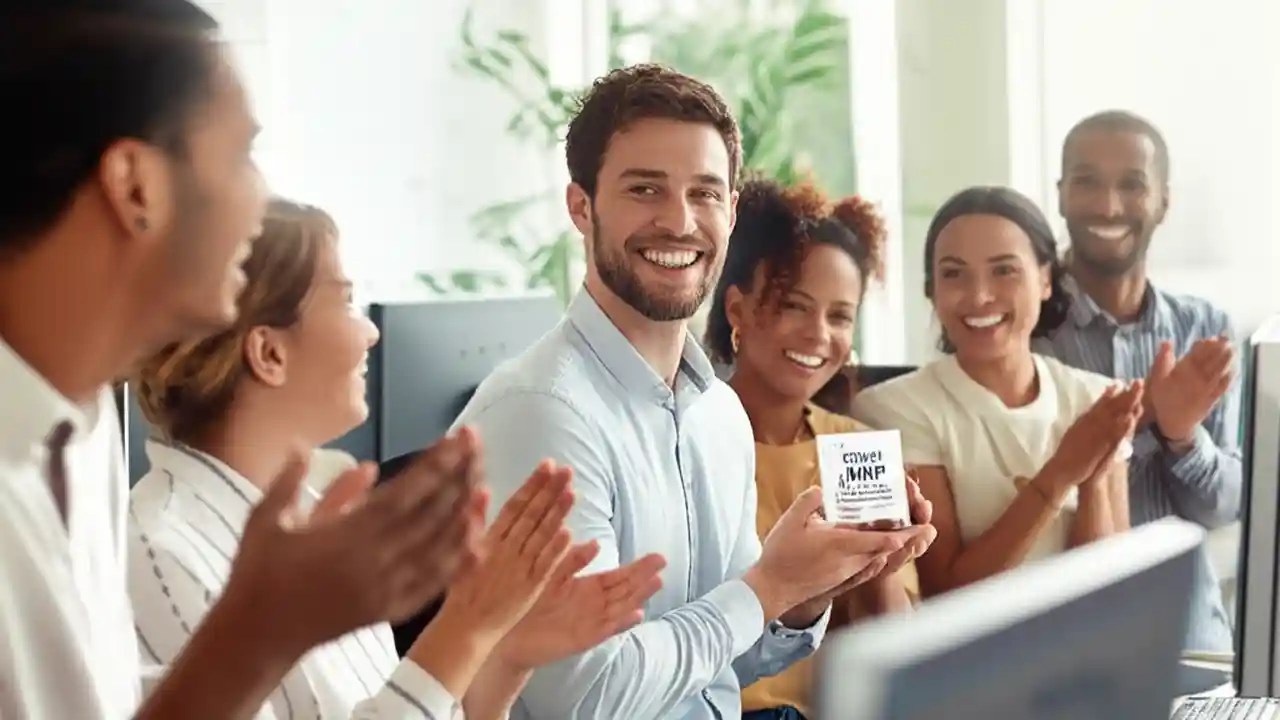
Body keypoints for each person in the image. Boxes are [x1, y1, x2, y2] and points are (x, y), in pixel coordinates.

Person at [0, 3, 479, 717]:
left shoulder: (86, 436)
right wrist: (262, 632)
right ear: (136, 185)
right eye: (242, 155)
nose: (260, 202)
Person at [451, 64, 931, 720]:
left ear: (730, 212)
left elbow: (730, 659)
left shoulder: (718, 413)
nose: (679, 222)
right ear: (581, 207)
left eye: (704, 193)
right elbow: (587, 697)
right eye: (645, 189)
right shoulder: (542, 414)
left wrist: (812, 584)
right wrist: (768, 586)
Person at [129, 198, 666, 719]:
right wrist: (463, 632)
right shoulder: (164, 553)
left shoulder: (319, 528)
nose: (371, 332)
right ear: (270, 353)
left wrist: (504, 655)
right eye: (345, 302)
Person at [703, 178, 936, 720]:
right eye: (794, 306)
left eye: (840, 316)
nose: (818, 334)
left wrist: (881, 562)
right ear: (737, 309)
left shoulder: (855, 446)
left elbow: (900, 657)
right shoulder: (688, 437)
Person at [851, 186, 1143, 599]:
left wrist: (1093, 479)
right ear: (931, 291)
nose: (980, 296)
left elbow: (1110, 593)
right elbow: (943, 593)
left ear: (1045, 279)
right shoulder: (888, 411)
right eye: (954, 274)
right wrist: (1060, 474)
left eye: (1004, 270)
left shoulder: (1097, 398)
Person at [1036, 110, 1240, 653]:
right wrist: (1145, 414)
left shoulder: (1204, 329)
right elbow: (1021, 495)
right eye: (1087, 182)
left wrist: (1183, 436)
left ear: (1163, 203)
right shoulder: (1025, 332)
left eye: (1132, 185)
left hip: (1190, 639)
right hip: (1063, 651)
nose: (1108, 206)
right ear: (1061, 195)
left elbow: (1223, 507)